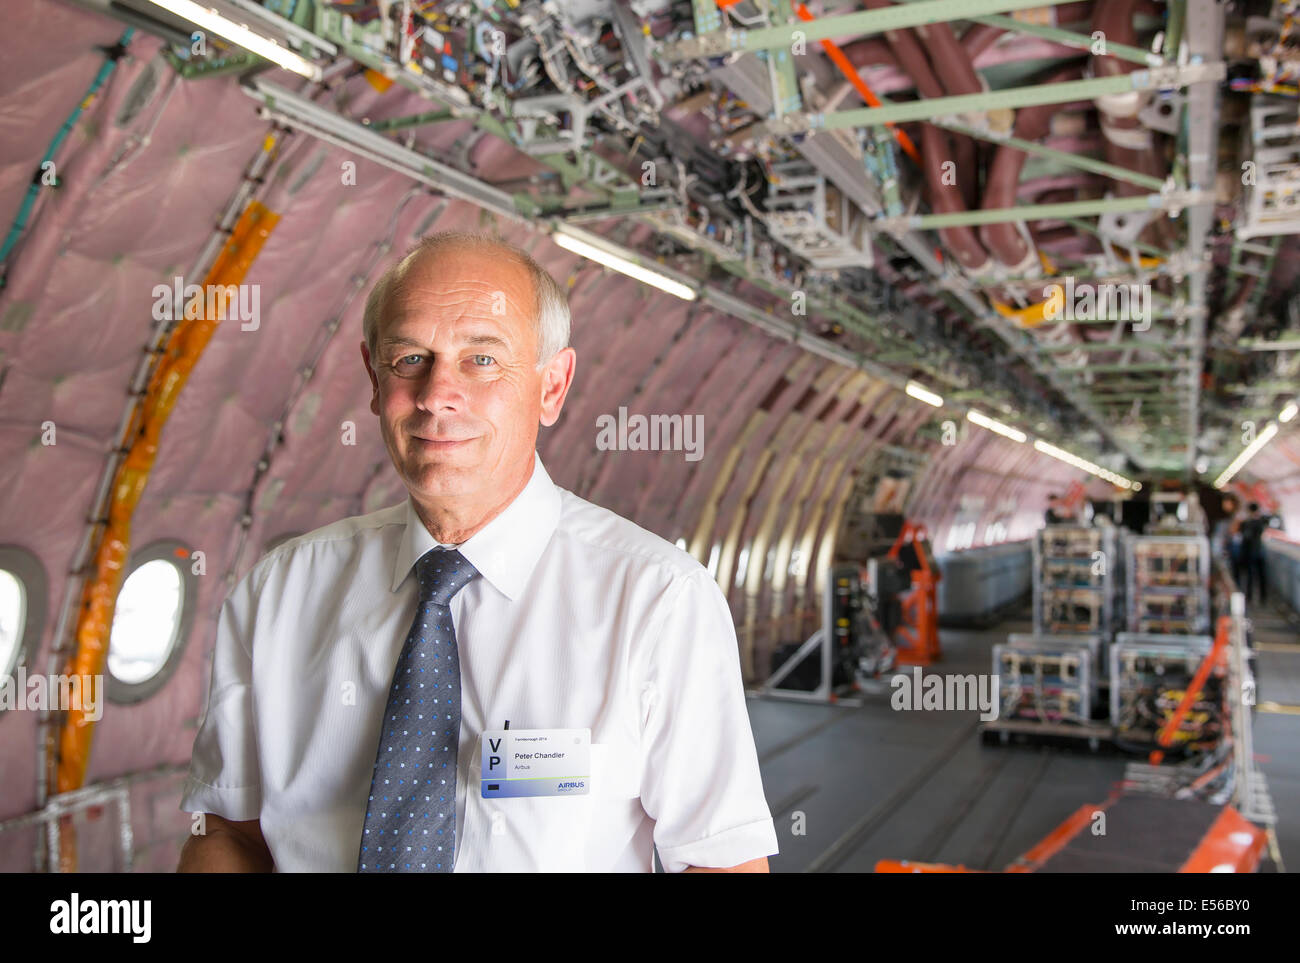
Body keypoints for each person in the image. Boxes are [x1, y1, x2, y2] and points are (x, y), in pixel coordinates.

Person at [177, 232, 778, 872]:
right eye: (410, 358)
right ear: (373, 381)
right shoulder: (278, 593)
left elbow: (720, 862)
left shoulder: (657, 599)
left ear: (552, 386)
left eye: (482, 360)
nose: (438, 394)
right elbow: (231, 836)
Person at [1240, 502, 1269, 605]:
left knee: (1251, 576)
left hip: (1250, 552)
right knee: (1262, 576)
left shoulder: (1246, 523)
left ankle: (1250, 597)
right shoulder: (1261, 521)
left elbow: (1244, 538)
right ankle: (1263, 598)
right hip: (1259, 551)